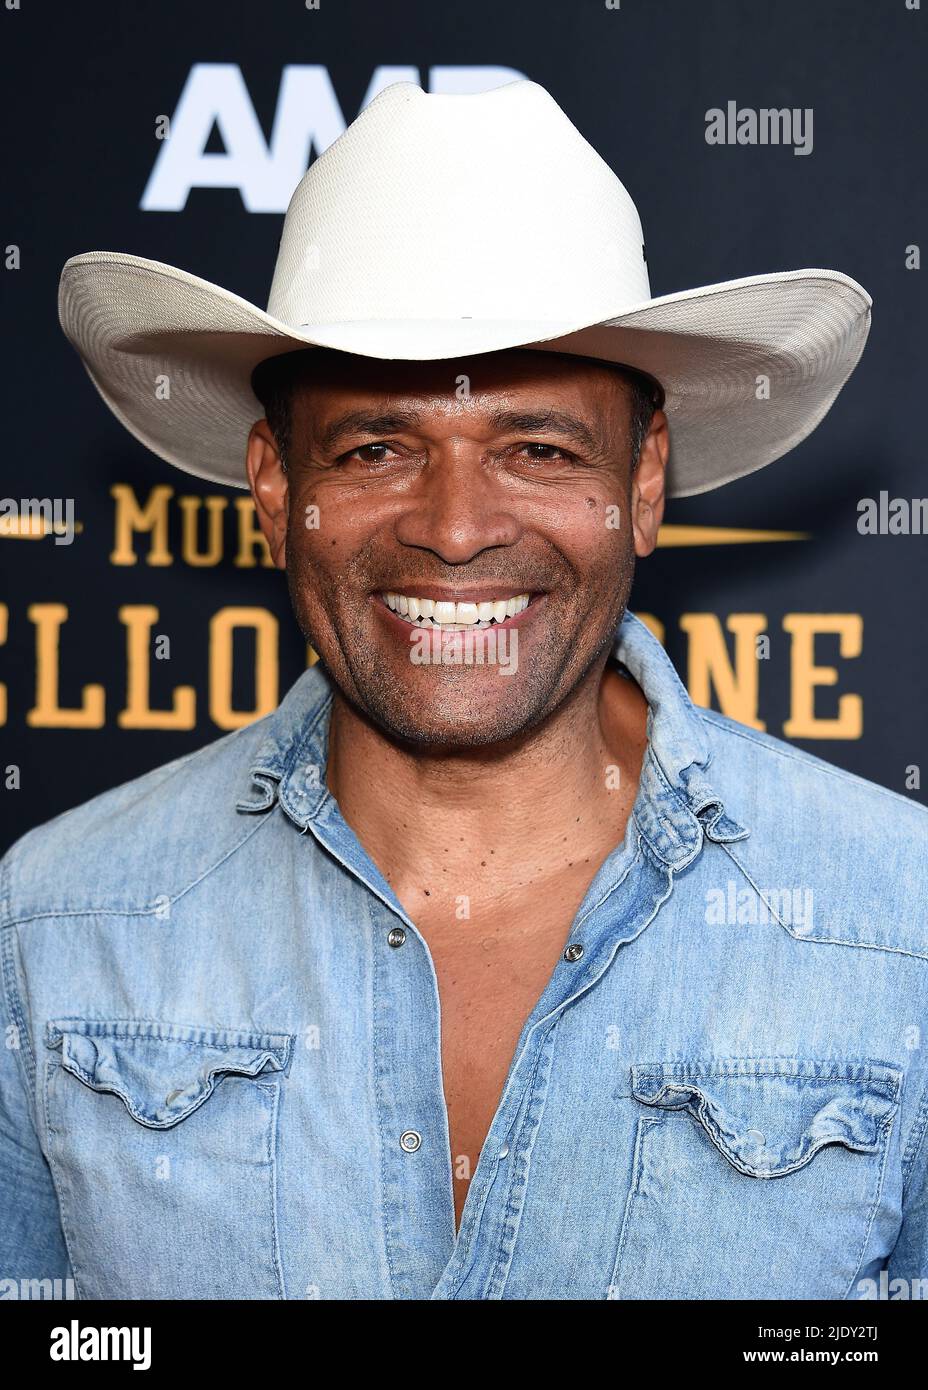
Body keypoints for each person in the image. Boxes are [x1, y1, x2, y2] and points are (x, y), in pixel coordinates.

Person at [2, 80, 925, 1301]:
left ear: (645, 480)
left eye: (537, 449)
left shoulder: (899, 925)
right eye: (375, 448)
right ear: (275, 484)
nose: (452, 529)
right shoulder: (54, 930)